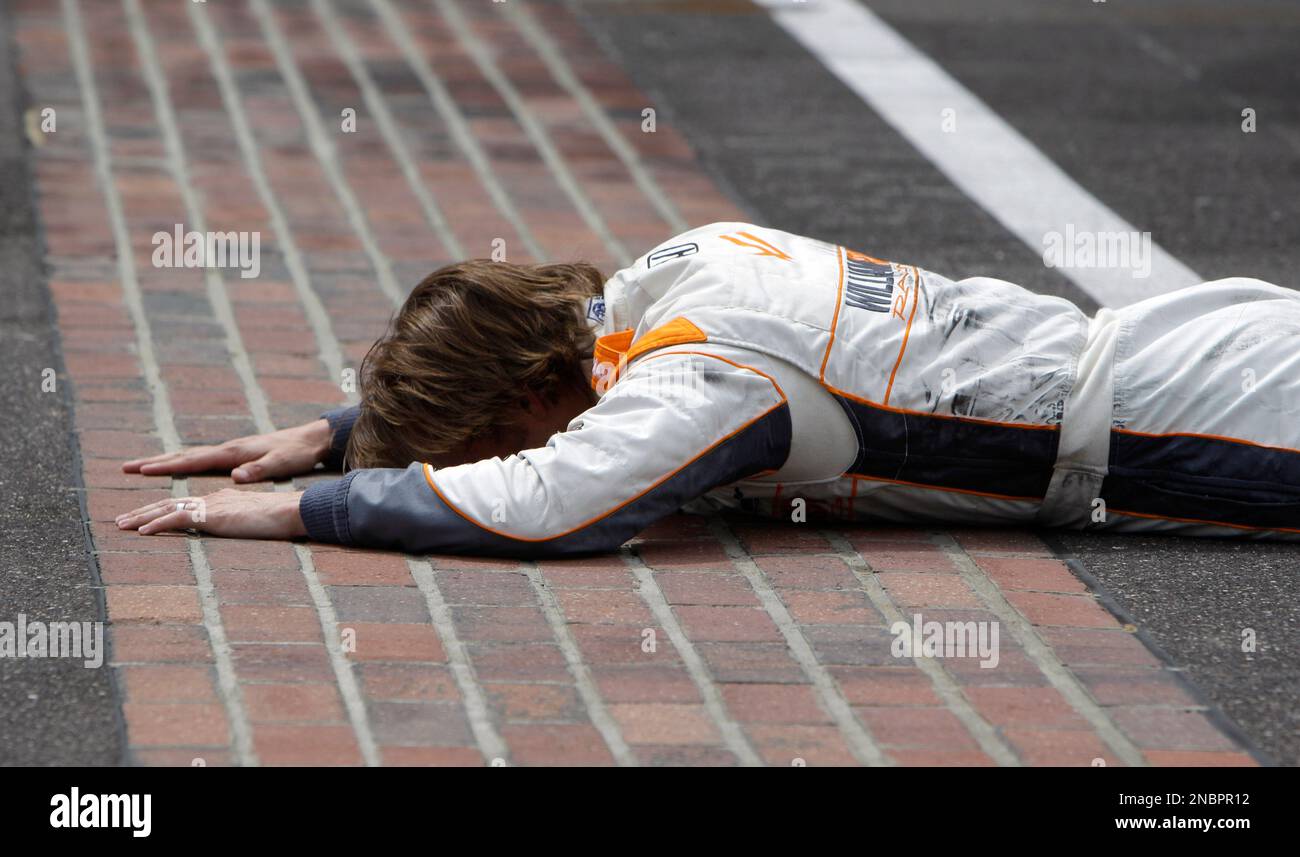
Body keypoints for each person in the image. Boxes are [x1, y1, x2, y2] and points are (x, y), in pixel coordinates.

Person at [116, 222, 1300, 554]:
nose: (482, 459)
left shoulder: (707, 379)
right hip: (1207, 349)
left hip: (1221, 424)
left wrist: (306, 508)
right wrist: (342, 431)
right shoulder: (680, 267)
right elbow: (558, 429)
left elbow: (554, 502)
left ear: (535, 390)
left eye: (479, 438)